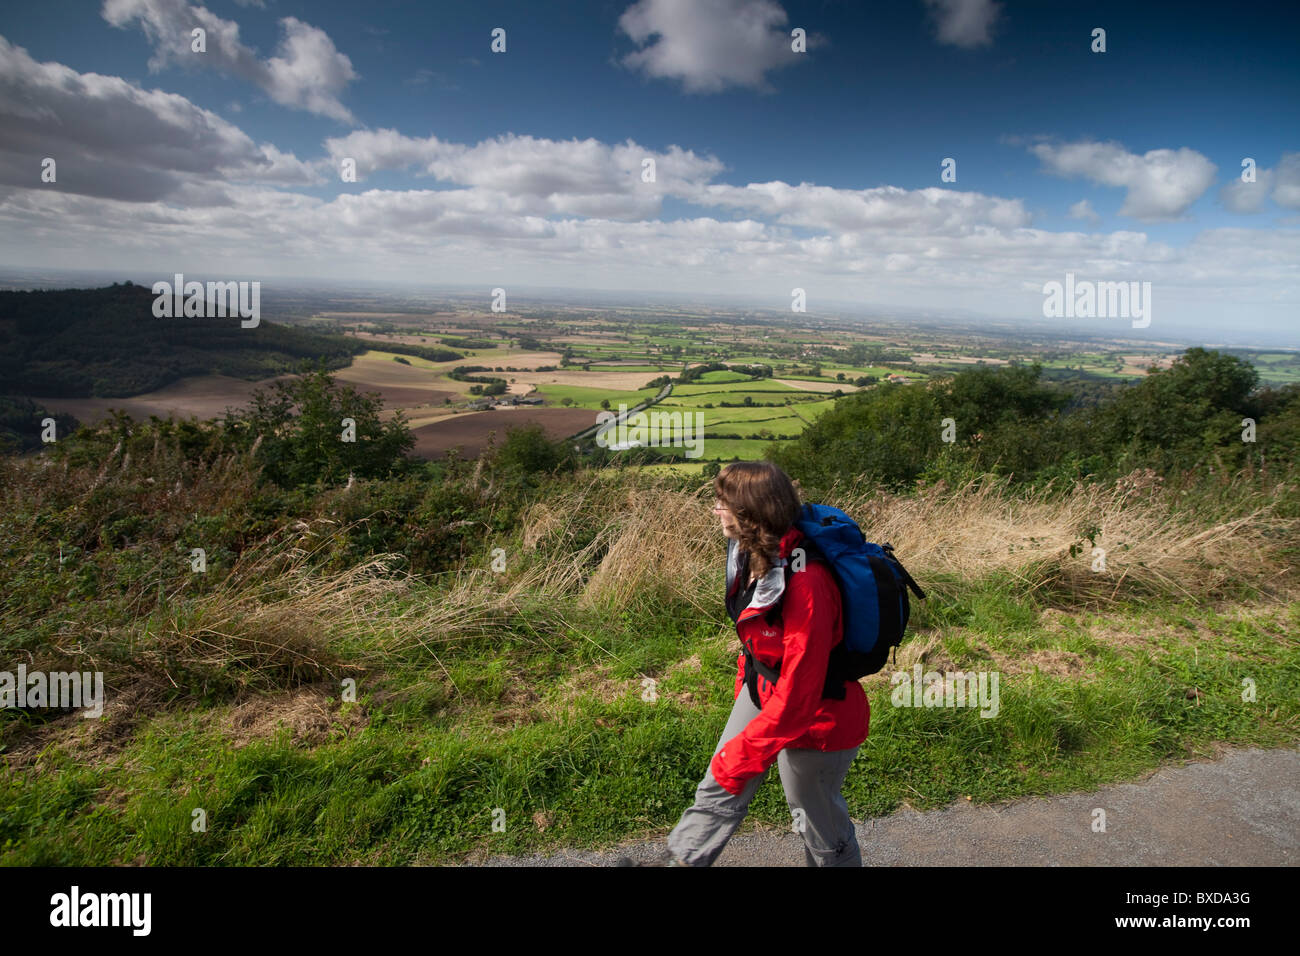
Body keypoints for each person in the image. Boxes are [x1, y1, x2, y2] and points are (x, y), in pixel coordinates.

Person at [661, 460, 869, 866]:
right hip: (765, 690)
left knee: (815, 822)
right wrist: (747, 691)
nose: (715, 511)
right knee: (719, 783)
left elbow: (801, 690)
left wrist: (746, 752)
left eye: (722, 503)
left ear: (750, 512)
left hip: (819, 710)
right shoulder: (749, 555)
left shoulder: (808, 580)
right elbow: (756, 640)